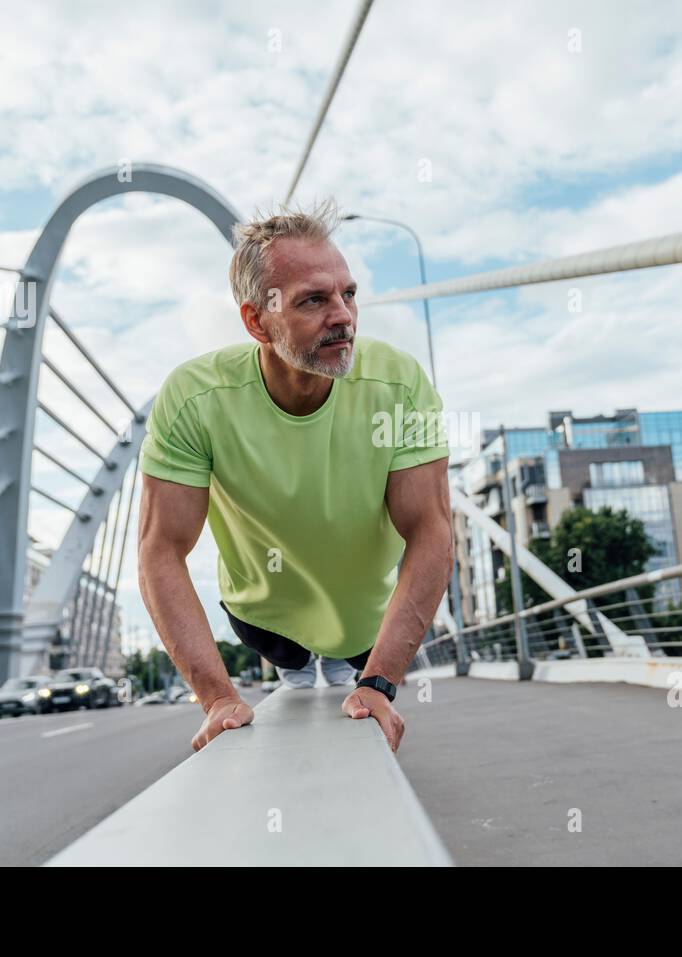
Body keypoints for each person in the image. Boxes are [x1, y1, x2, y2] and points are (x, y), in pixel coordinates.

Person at [136, 199, 453, 755]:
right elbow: (159, 550)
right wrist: (217, 697)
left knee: (348, 658)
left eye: (348, 294)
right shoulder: (194, 398)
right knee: (293, 661)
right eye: (314, 300)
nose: (344, 317)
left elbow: (432, 530)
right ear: (258, 321)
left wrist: (379, 682)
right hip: (266, 620)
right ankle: (303, 660)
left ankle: (339, 660)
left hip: (364, 621)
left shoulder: (398, 383)